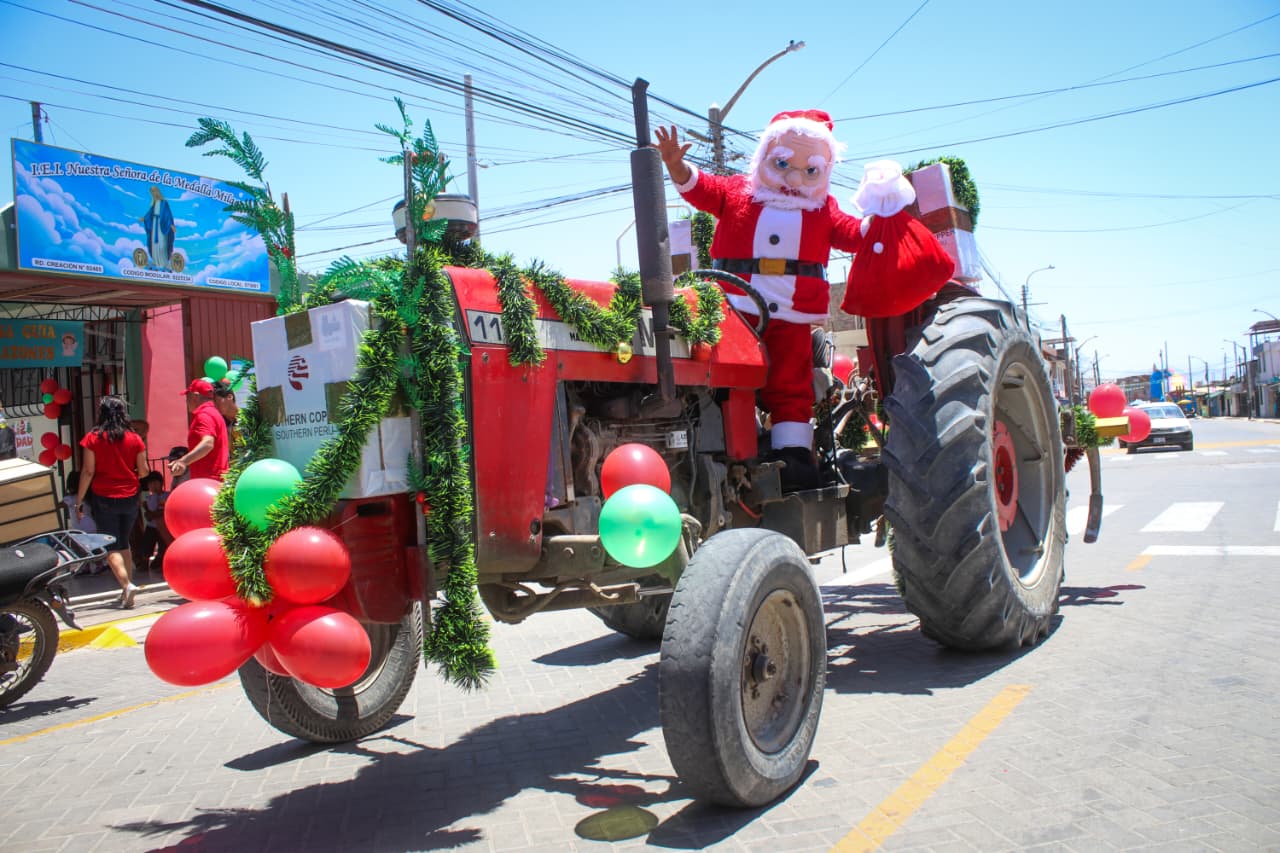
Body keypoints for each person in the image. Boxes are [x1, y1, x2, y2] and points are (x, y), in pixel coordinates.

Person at [655, 111, 927, 489]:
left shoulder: (823, 208)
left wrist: (882, 216)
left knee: (790, 383)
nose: (795, 179)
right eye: (783, 164)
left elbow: (852, 234)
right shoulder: (738, 191)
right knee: (720, 373)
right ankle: (720, 444)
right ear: (765, 156)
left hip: (792, 313)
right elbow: (702, 189)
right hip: (736, 305)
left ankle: (793, 455)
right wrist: (677, 165)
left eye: (810, 170)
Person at [75, 396, 148, 607]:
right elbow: (144, 471)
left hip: (104, 497)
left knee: (109, 546)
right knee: (124, 542)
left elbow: (88, 471)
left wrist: (79, 501)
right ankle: (127, 590)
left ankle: (126, 585)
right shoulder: (135, 439)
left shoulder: (92, 438)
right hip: (130, 496)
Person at [169, 379, 229, 482]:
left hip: (207, 480)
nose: (186, 401)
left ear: (195, 396)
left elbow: (208, 443)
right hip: (215, 479)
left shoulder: (204, 415)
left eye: (187, 396)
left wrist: (183, 461)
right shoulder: (214, 413)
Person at [137, 472, 170, 575]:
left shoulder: (167, 495)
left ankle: (160, 560)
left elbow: (164, 510)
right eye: (150, 484)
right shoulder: (148, 498)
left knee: (163, 545)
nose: (153, 486)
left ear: (161, 483)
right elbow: (148, 514)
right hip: (151, 527)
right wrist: (149, 512)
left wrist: (153, 514)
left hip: (163, 527)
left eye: (155, 483)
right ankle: (144, 562)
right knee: (147, 545)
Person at [140, 185, 176, 271]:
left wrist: (171, 225)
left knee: (162, 243)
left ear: (157, 192)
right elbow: (150, 214)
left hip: (162, 226)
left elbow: (168, 215)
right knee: (154, 243)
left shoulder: (164, 203)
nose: (153, 194)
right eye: (152, 192)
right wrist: (144, 218)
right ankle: (156, 260)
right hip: (154, 225)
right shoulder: (154, 204)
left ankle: (164, 262)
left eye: (154, 191)